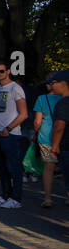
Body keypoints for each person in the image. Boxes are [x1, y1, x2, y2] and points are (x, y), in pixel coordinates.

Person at [0, 60, 30, 208]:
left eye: (1, 71)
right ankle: (6, 194)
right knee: (1, 167)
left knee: (14, 167)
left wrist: (9, 128)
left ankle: (16, 198)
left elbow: (23, 113)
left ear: (8, 71)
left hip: (11, 133)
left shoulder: (15, 88)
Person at [32, 72, 66, 207]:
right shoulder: (64, 98)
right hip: (64, 136)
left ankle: (48, 198)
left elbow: (37, 122)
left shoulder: (41, 99)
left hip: (46, 136)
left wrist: (35, 133)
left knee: (48, 168)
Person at [44, 71, 69, 204]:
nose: (51, 86)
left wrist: (54, 146)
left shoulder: (63, 103)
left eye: (53, 83)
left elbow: (60, 125)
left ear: (63, 83)